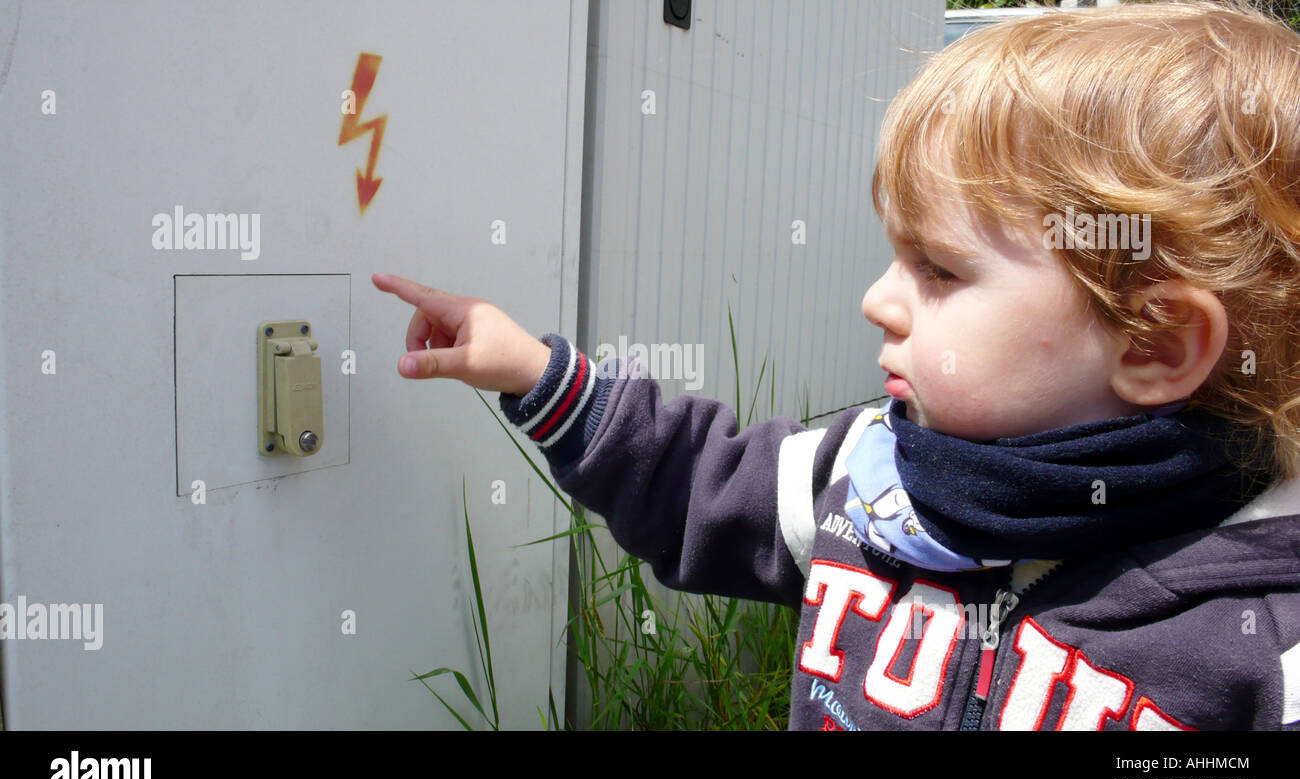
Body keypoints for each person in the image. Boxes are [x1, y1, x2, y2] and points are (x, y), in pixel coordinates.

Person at [372, 0, 1300, 730]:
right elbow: (696, 479)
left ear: (1154, 343)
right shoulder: (867, 479)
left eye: (938, 269)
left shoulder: (1265, 640)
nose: (878, 299)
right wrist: (533, 372)